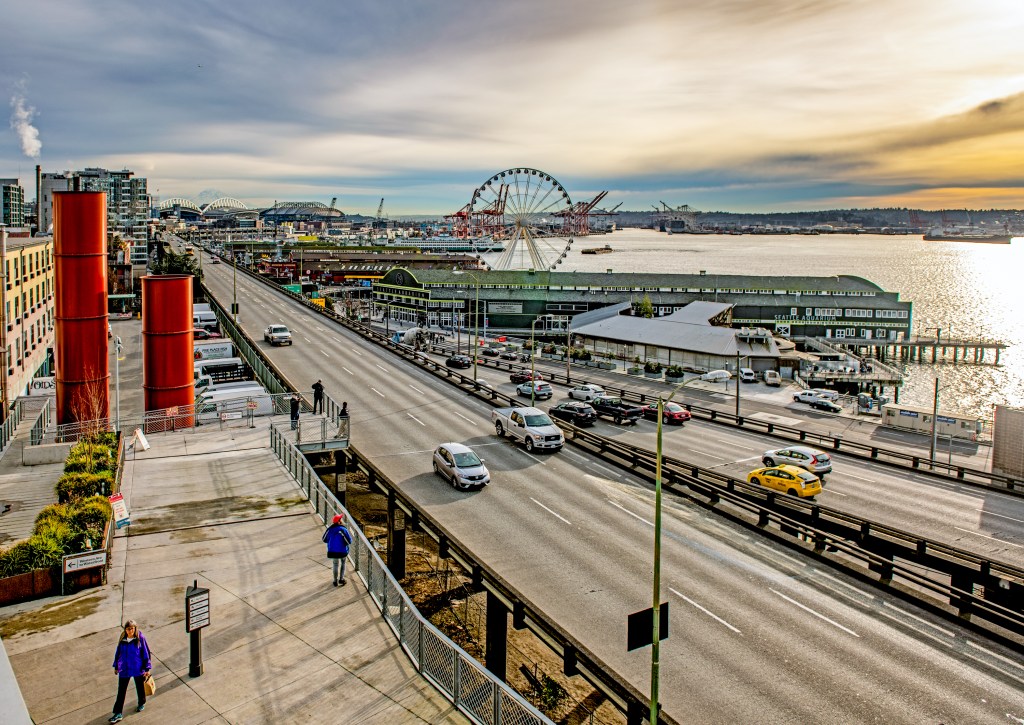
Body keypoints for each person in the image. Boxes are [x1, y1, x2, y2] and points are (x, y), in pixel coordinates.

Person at [109, 619, 151, 722]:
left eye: (132, 628)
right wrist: (116, 666)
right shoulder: (122, 639)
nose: (130, 631)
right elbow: (118, 653)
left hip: (138, 668)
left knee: (140, 688)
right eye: (128, 629)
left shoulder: (140, 638)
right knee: (121, 692)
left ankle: (141, 703)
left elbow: (146, 653)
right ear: (125, 630)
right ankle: (118, 713)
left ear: (135, 628)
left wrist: (147, 668)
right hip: (124, 669)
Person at [322, 513, 353, 586]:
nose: (341, 520)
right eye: (340, 519)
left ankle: (335, 581)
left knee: (335, 564)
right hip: (342, 551)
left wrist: (331, 541)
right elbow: (349, 541)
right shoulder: (343, 529)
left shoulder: (329, 529)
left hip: (332, 551)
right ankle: (341, 579)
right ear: (339, 521)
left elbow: (324, 539)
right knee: (343, 563)